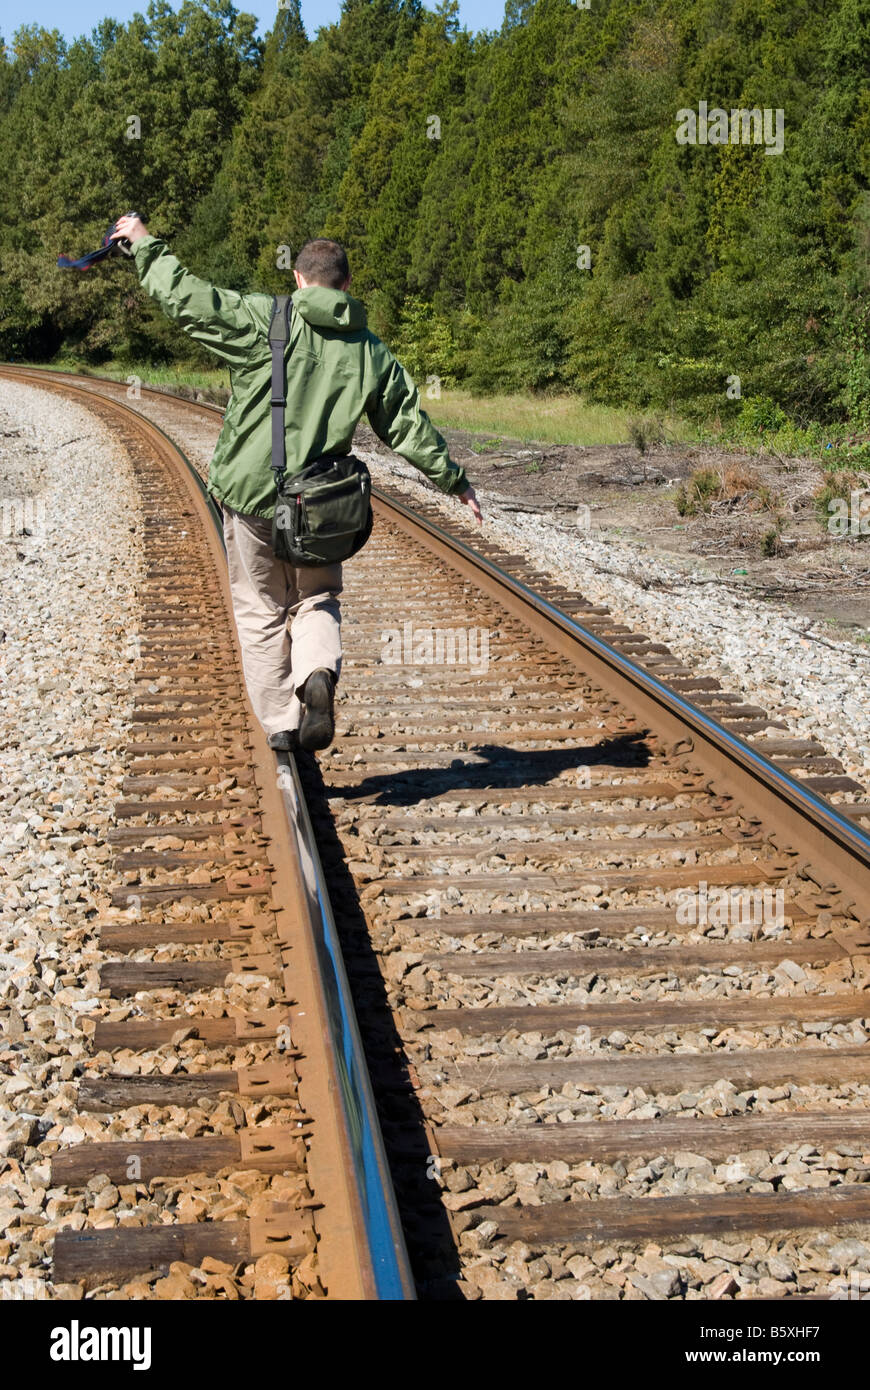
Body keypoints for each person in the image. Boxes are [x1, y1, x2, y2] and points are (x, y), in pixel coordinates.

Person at [111, 214, 482, 754]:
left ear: (299, 279)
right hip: (319, 507)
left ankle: (283, 726)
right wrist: (456, 483)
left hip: (253, 497)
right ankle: (315, 673)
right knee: (317, 597)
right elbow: (406, 425)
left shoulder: (265, 318)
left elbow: (190, 298)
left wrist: (143, 243)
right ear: (346, 286)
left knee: (261, 608)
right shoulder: (371, 351)